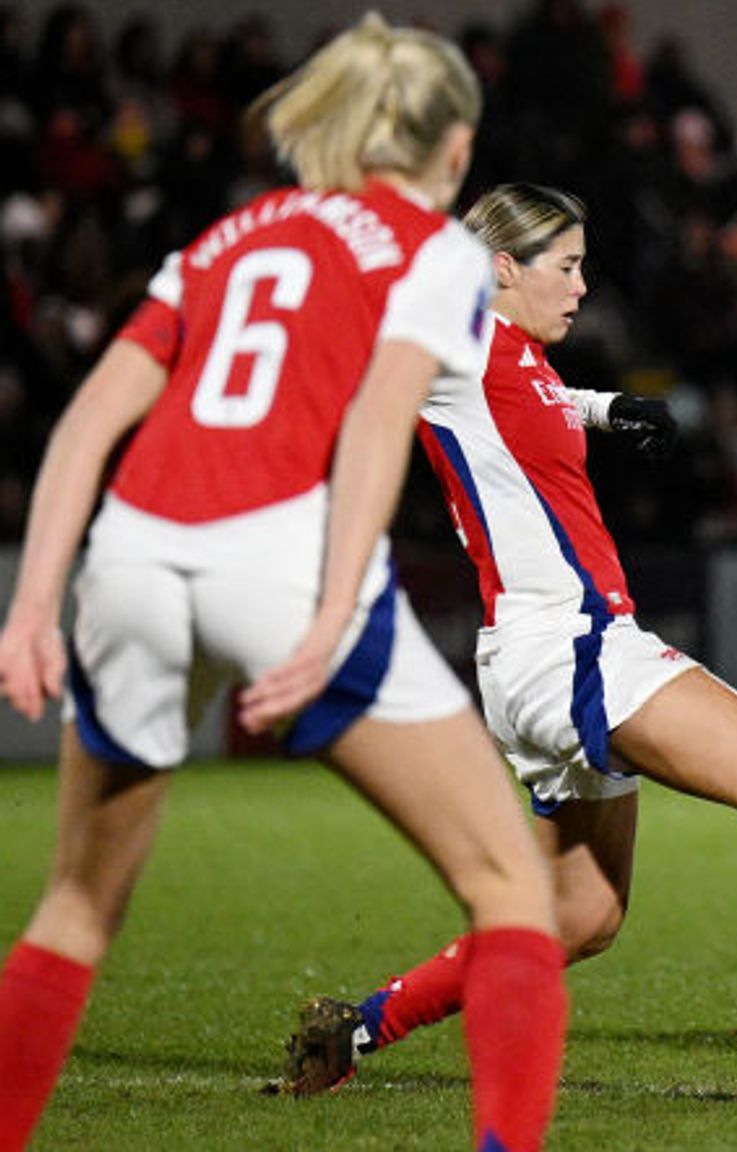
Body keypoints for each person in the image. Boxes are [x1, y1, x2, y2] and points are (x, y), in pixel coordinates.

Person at [275, 182, 737, 1095]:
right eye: (564, 266)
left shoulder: (510, 356)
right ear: (501, 269)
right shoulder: (453, 337)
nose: (581, 286)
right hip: (568, 646)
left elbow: (528, 400)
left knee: (582, 913)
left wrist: (608, 408)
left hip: (536, 659)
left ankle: (356, 1033)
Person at [0, 17, 566, 1152]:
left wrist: (31, 603)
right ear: (453, 145)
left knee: (72, 907)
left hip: (131, 554)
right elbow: (373, 423)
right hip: (274, 553)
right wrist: (327, 610)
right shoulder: (438, 250)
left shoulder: (233, 234)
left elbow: (90, 419)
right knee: (512, 888)